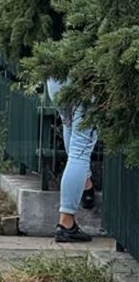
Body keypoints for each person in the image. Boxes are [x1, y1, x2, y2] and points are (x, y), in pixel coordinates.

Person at [45, 75, 99, 243]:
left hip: (55, 78)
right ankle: (66, 223)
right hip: (85, 80)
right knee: (80, 150)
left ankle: (86, 185)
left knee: (69, 127)